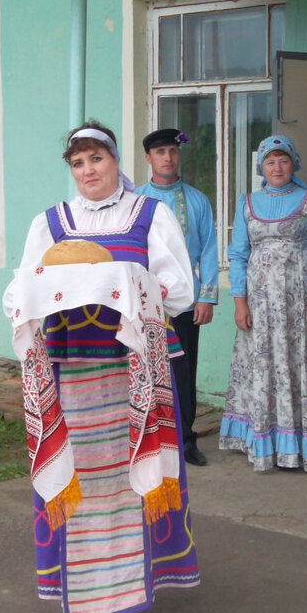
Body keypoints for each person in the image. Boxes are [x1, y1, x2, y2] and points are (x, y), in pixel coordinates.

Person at [3, 120, 199, 613]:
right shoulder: (50, 224)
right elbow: (21, 288)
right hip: (72, 371)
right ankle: (81, 607)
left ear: (115, 161)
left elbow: (180, 288)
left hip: (135, 373)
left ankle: (131, 605)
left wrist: (132, 283)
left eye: (97, 159)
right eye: (78, 163)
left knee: (130, 483)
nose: (88, 171)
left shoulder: (150, 215)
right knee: (80, 482)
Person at [218, 134, 307, 472]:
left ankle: (301, 442)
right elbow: (238, 255)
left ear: (294, 164)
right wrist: (239, 301)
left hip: (299, 303)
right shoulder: (247, 203)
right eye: (270, 162)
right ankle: (264, 439)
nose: (277, 167)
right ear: (261, 167)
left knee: (298, 364)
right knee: (262, 366)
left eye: (283, 160)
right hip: (259, 305)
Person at [136, 127, 218, 467]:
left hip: (184, 301)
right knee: (143, 368)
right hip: (143, 300)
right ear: (148, 158)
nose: (167, 158)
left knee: (183, 370)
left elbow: (210, 249)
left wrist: (206, 297)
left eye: (172, 151)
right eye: (160, 152)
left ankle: (185, 441)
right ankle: (148, 439)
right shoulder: (135, 202)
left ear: (179, 155)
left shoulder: (197, 201)